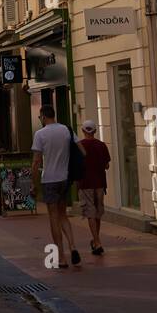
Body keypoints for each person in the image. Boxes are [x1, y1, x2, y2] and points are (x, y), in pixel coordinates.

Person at [31, 106, 81, 268]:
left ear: (44, 117)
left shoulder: (40, 134)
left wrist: (33, 183)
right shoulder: (66, 130)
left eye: (40, 117)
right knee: (63, 215)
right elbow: (82, 150)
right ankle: (73, 246)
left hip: (49, 180)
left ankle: (61, 257)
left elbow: (37, 160)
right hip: (65, 179)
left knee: (53, 217)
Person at [78, 121, 111, 256]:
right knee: (97, 212)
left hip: (85, 183)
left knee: (90, 212)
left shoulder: (79, 146)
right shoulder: (101, 145)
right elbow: (107, 166)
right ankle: (96, 241)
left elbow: (76, 165)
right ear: (95, 131)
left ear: (83, 130)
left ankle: (97, 242)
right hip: (100, 183)